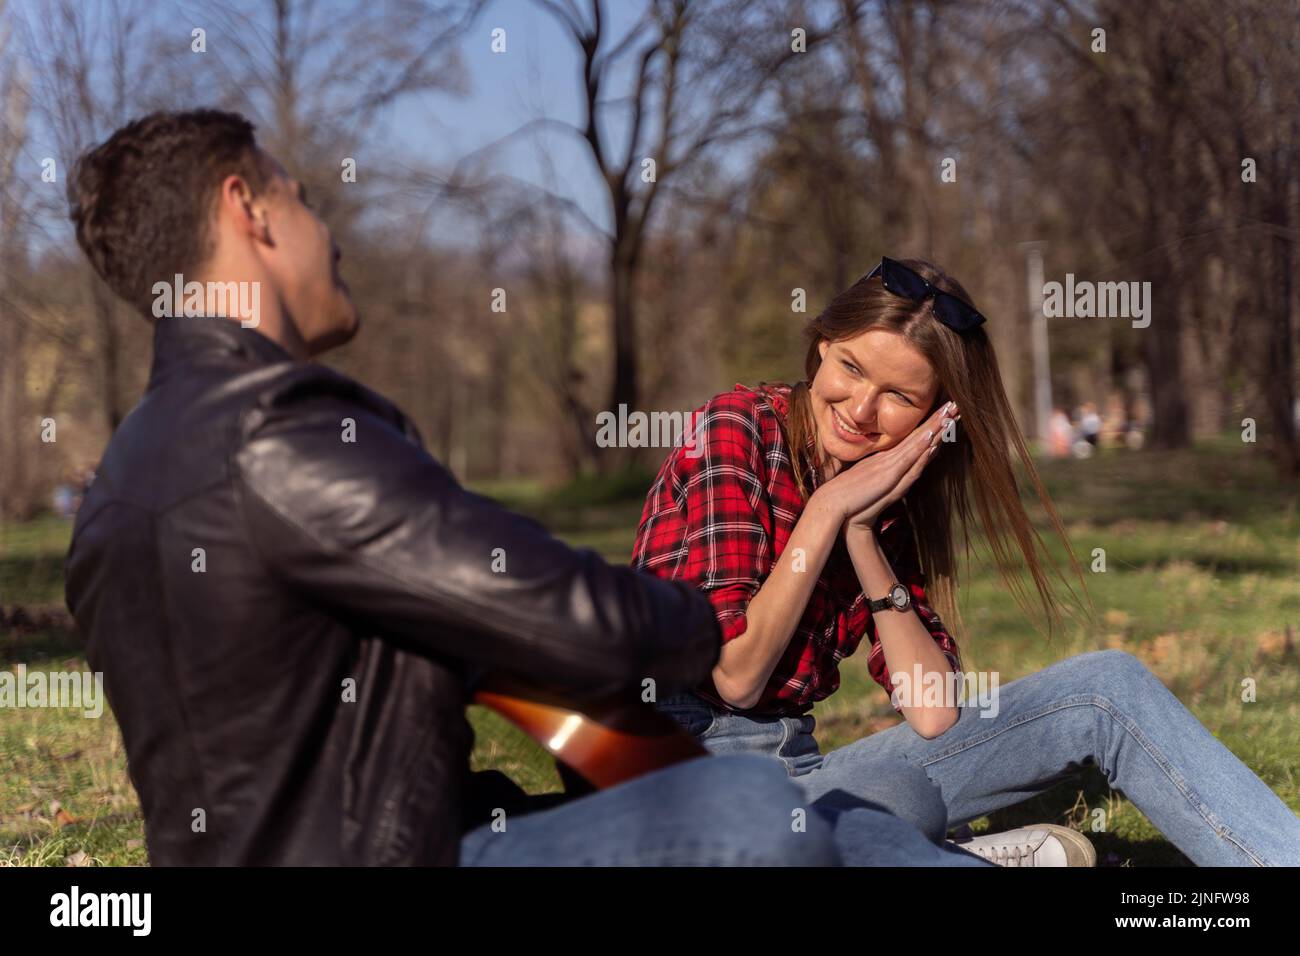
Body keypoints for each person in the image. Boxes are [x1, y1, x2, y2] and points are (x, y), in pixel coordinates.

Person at [62, 108, 861, 867]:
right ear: (249, 210)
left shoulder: (120, 482)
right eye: (301, 201)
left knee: (857, 824)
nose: (329, 236)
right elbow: (562, 611)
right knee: (754, 813)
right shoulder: (279, 433)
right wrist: (706, 620)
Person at [633, 256, 1300, 866]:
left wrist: (863, 539)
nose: (861, 410)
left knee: (1105, 689)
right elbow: (736, 675)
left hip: (802, 779)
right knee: (893, 803)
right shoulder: (736, 428)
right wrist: (826, 511)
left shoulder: (882, 492)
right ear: (822, 346)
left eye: (900, 397)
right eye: (852, 368)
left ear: (933, 418)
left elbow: (932, 713)